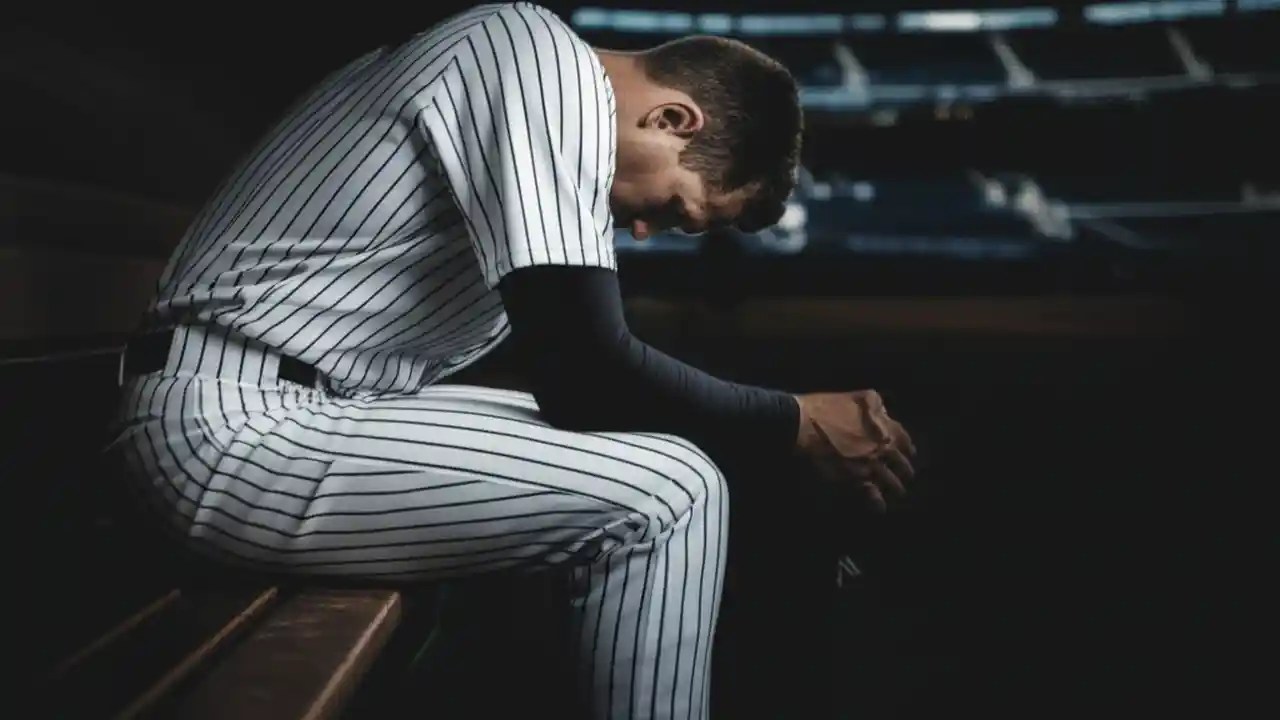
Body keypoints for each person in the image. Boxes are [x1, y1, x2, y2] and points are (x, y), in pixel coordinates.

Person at [104, 3, 916, 718]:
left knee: (693, 458)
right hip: (225, 426)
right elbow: (585, 370)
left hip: (301, 405)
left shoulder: (550, 93)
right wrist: (793, 419)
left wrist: (780, 444)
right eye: (675, 209)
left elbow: (591, 377)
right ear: (674, 121)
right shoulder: (533, 56)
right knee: (668, 493)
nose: (644, 229)